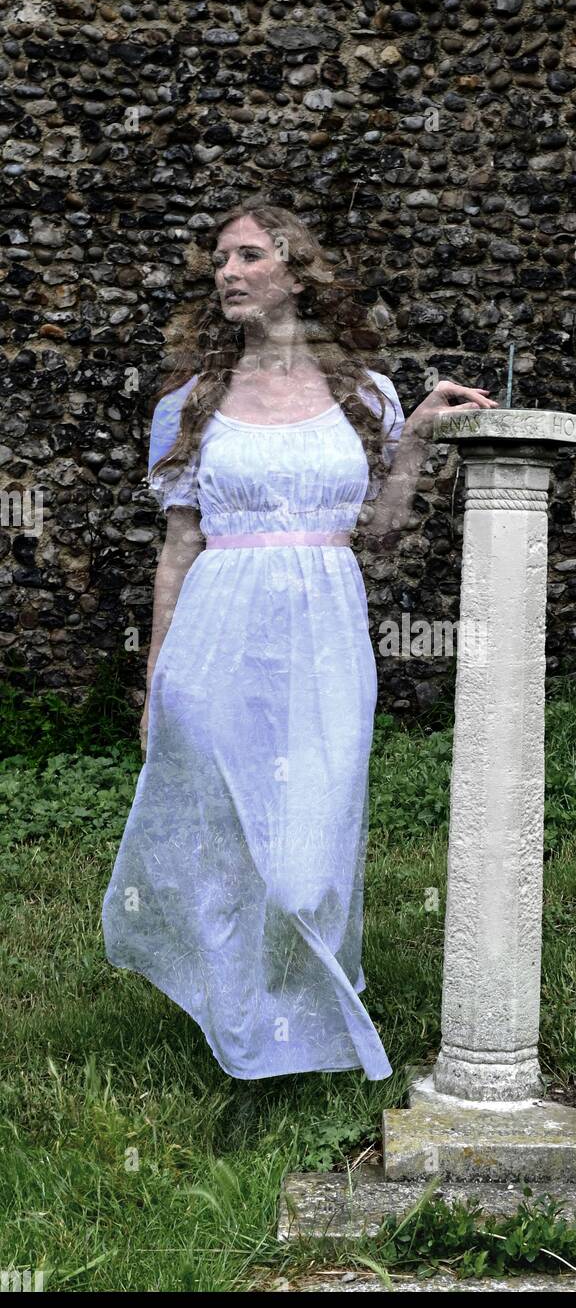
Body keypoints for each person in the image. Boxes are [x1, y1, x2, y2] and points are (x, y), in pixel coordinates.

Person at [100, 196, 497, 1080]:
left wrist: (420, 438)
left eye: (245, 256)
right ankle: (250, 1036)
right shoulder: (191, 403)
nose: (227, 274)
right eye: (218, 263)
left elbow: (383, 532)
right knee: (226, 853)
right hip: (215, 637)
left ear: (293, 269)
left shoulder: (367, 395)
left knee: (306, 862)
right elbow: (177, 549)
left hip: (323, 638)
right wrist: (157, 678)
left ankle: (303, 1008)